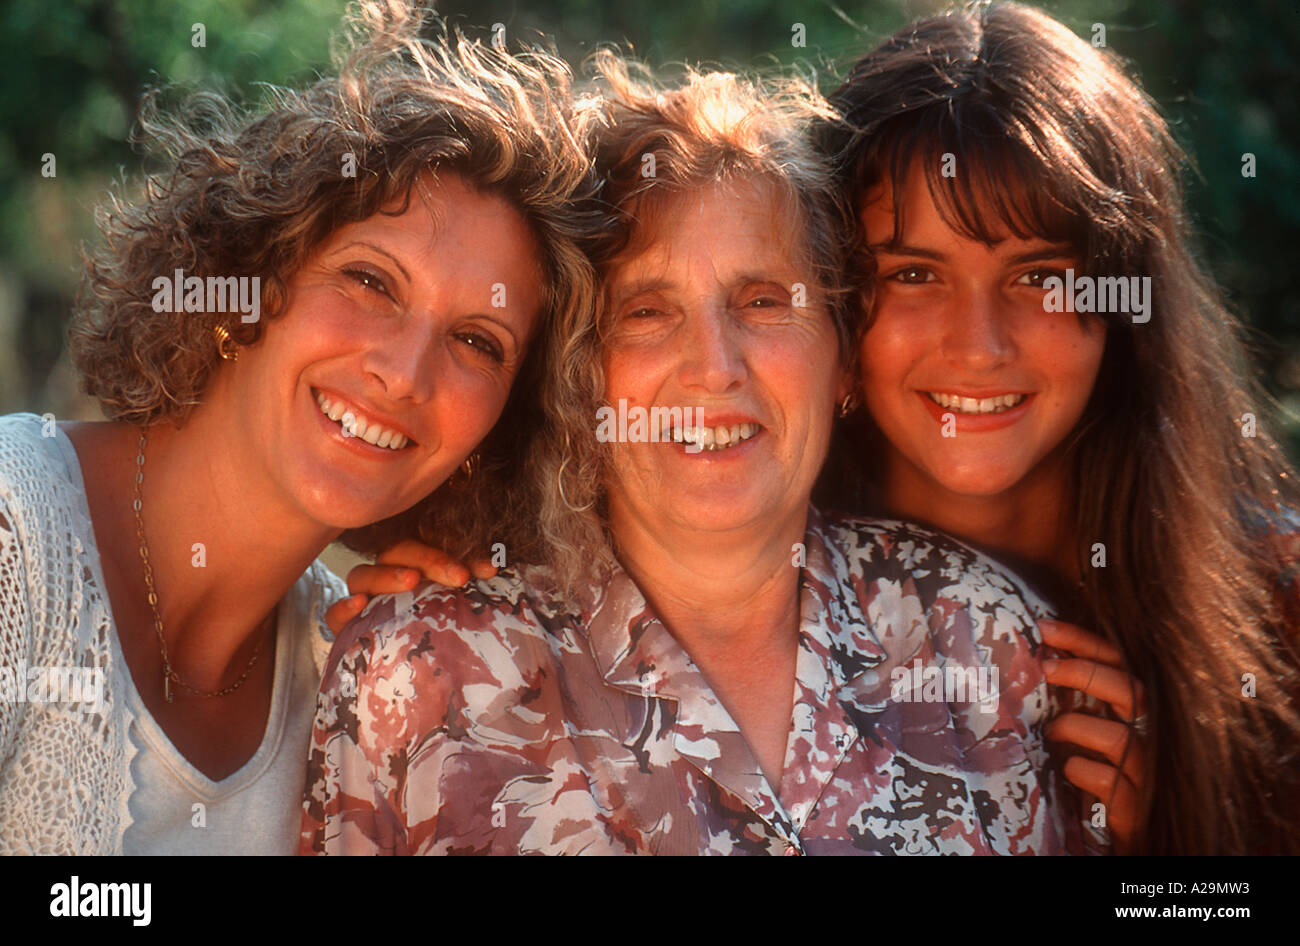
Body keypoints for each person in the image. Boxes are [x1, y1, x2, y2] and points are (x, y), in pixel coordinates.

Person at [301, 53, 1095, 856]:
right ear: (577, 376)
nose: (716, 365)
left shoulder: (982, 637)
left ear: (842, 356)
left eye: (761, 301)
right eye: (647, 311)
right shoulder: (419, 670)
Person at [0, 3, 598, 854]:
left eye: (476, 341)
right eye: (370, 281)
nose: (404, 370)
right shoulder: (14, 542)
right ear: (245, 275)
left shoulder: (353, 671)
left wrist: (431, 653)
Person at [817, 0, 1300, 854]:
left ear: (1125, 306)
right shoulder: (737, 575)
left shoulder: (1276, 612)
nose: (979, 345)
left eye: (1041, 275)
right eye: (915, 273)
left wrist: (1173, 851)